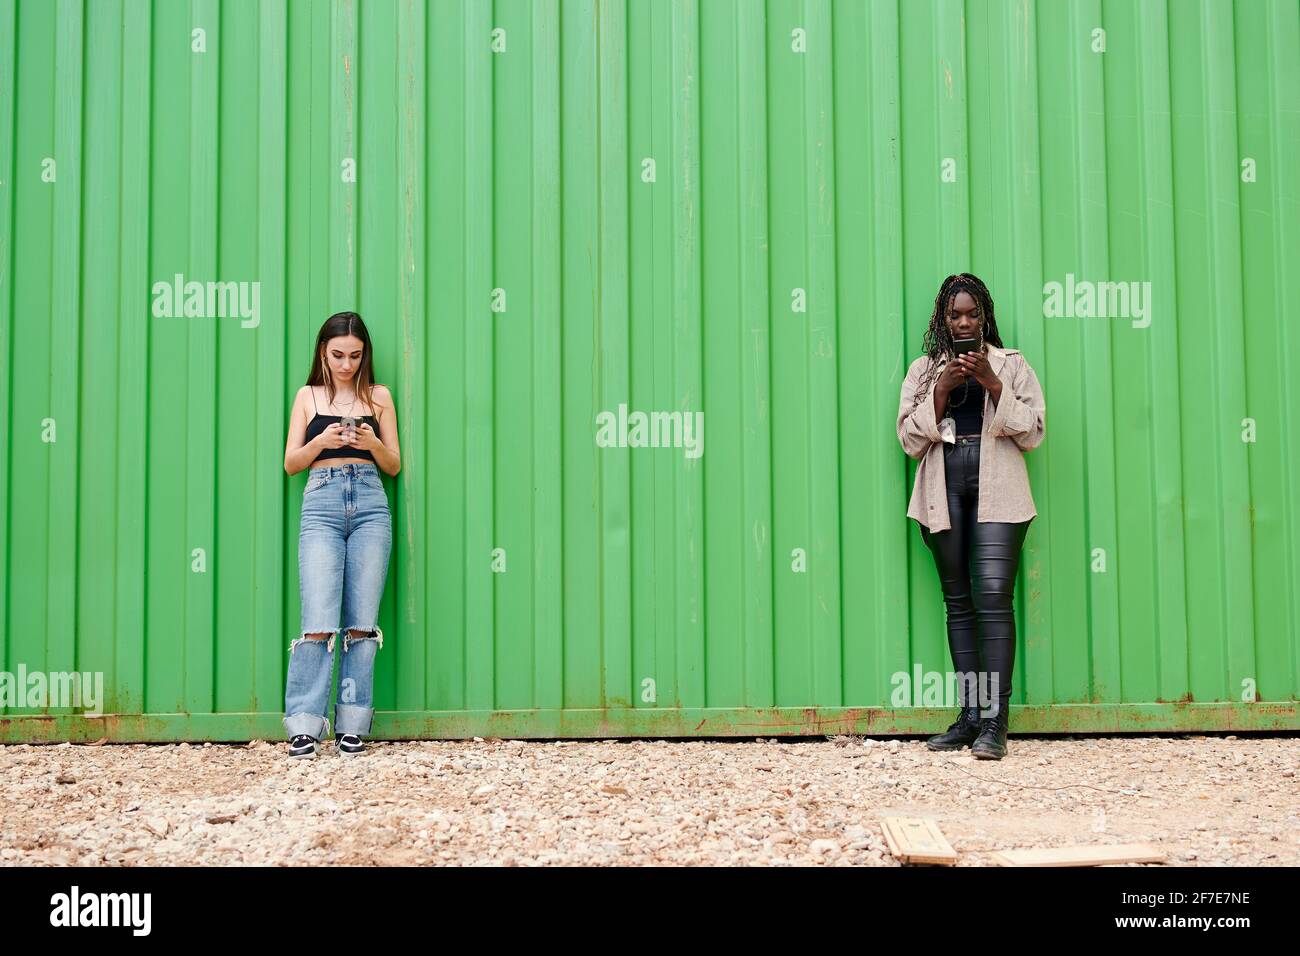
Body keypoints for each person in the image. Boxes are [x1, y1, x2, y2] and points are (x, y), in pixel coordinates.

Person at [896, 274, 1045, 760]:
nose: (964, 322)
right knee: (959, 602)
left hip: (998, 487)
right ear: (943, 319)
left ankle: (995, 724)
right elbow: (910, 441)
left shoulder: (1012, 365)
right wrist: (941, 389)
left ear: (986, 317)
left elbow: (1033, 433)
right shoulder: (923, 370)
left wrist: (991, 383)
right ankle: (969, 718)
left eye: (972, 313)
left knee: (994, 597)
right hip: (944, 487)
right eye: (955, 314)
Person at [281, 311, 401, 758]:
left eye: (354, 355)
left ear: (364, 354)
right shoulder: (308, 397)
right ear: (323, 352)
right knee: (317, 619)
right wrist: (322, 441)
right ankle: (304, 726)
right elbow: (292, 463)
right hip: (322, 504)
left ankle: (353, 724)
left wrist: (371, 444)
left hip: (370, 503)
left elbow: (393, 465)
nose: (346, 364)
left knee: (362, 623)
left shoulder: (379, 396)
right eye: (337, 355)